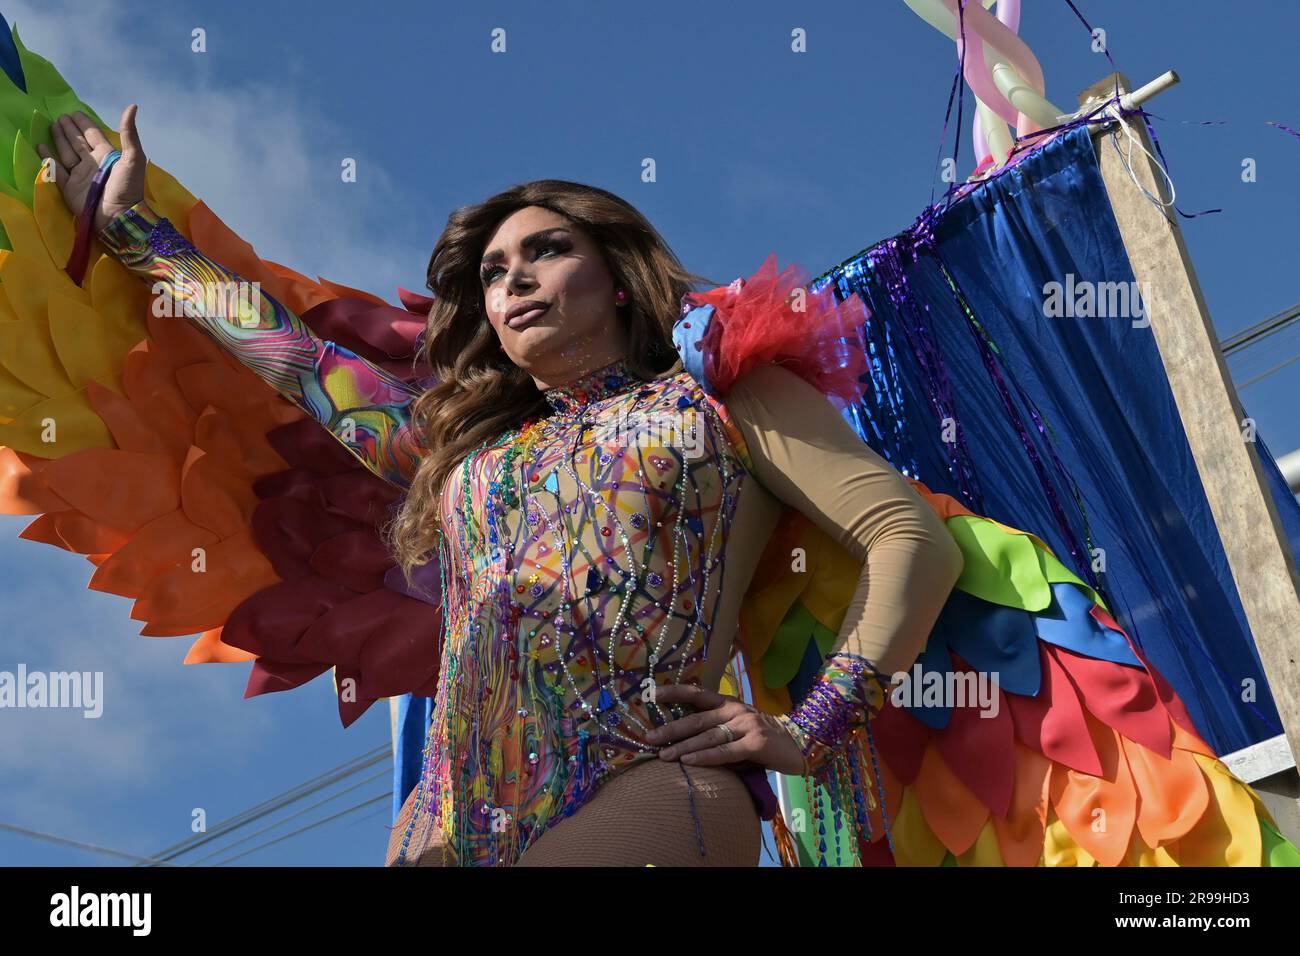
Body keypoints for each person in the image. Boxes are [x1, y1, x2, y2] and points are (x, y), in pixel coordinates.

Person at [39, 105, 1298, 868]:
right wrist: (140, 227)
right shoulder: (466, 458)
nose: (514, 280)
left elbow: (899, 531)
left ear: (618, 270)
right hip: (450, 812)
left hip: (644, 782)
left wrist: (812, 727)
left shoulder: (720, 392)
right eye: (492, 272)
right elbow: (294, 364)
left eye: (548, 250)